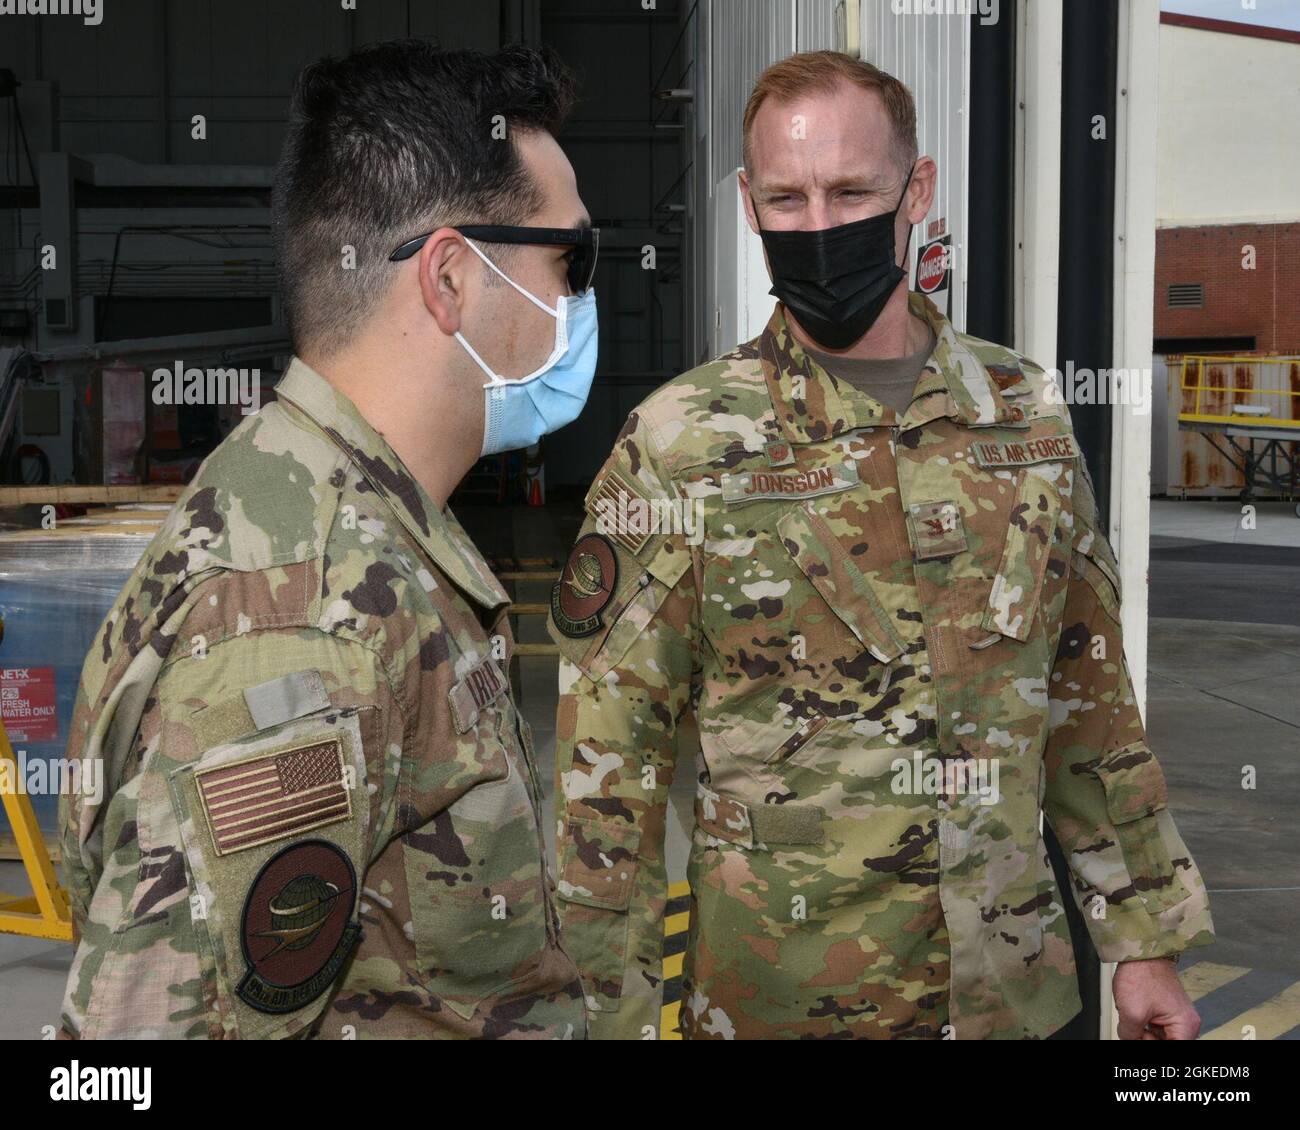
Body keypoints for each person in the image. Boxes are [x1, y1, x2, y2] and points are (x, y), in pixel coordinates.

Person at [548, 50, 1213, 1040]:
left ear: (917, 189)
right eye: (787, 197)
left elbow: (1089, 705)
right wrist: (609, 1014)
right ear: (747, 203)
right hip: (787, 999)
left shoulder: (1022, 416)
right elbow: (610, 767)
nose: (819, 227)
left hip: (1014, 992)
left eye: (852, 190)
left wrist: (1142, 938)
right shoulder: (681, 445)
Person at [58, 39, 599, 1039]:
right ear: (450, 280)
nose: (576, 302)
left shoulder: (344, 522)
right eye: (569, 261)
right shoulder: (304, 615)